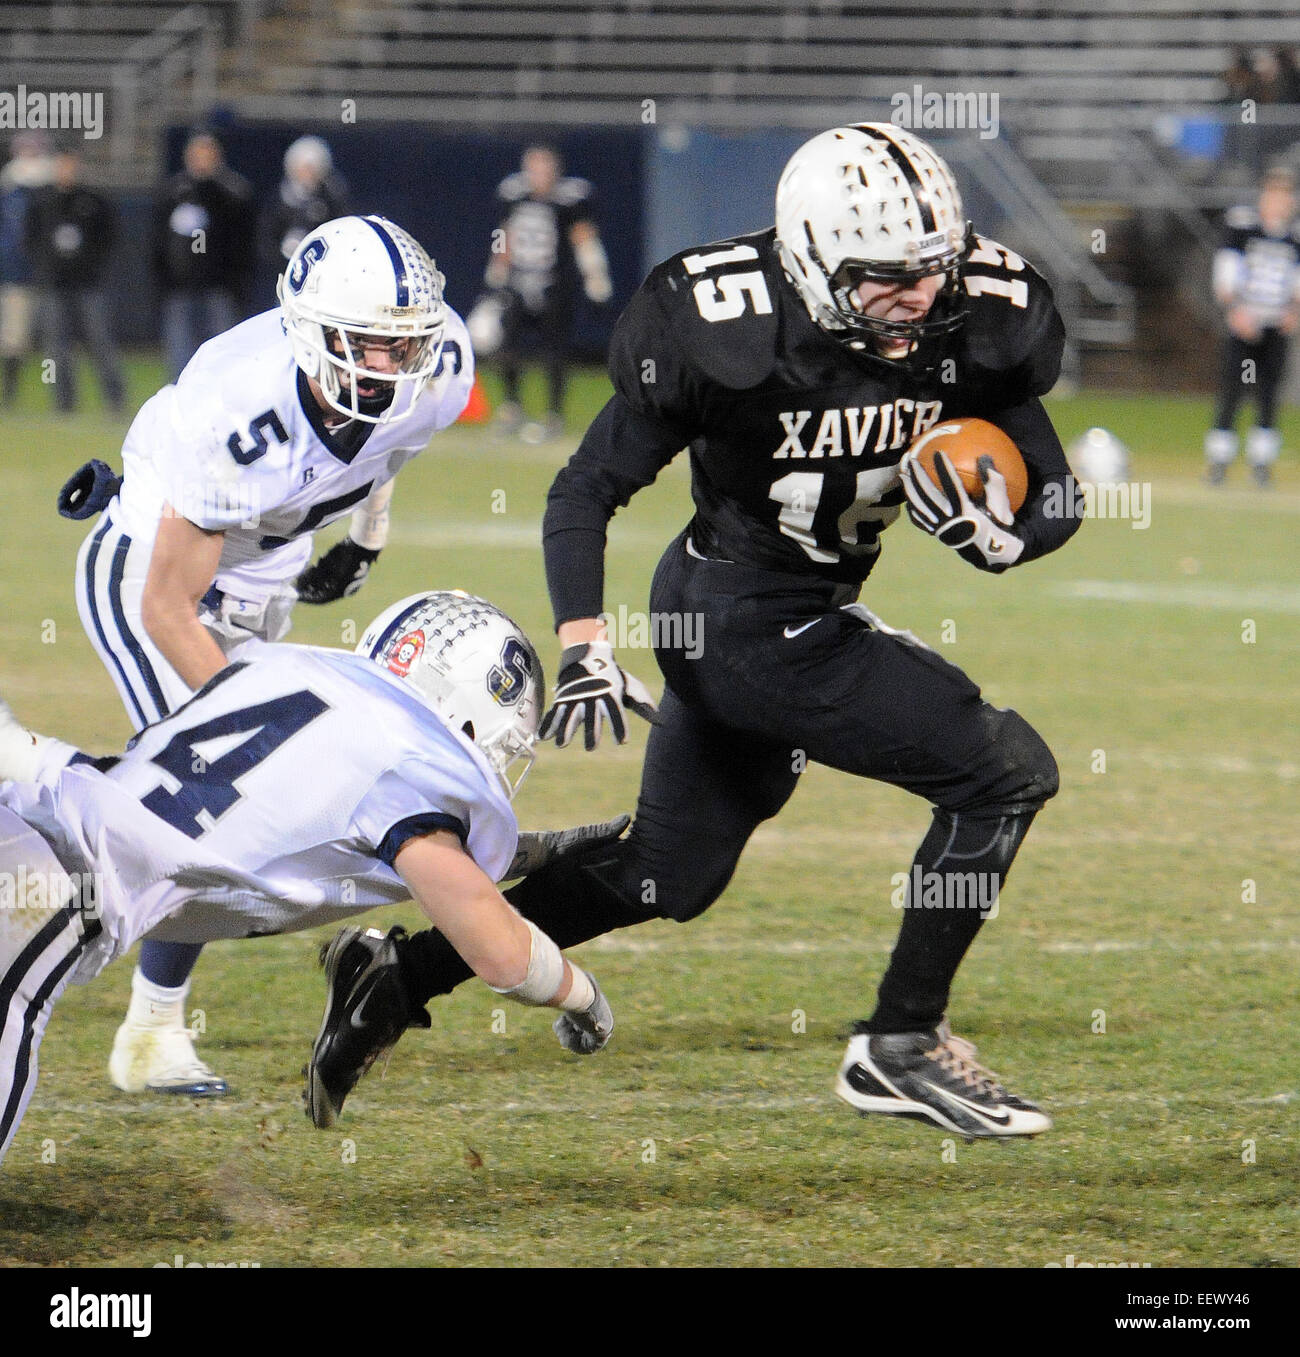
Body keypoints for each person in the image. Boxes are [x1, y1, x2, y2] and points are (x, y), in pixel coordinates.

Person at [307, 124, 1084, 1140]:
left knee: (663, 875)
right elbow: (585, 486)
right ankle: (900, 1042)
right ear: (811, 261)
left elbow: (1055, 490)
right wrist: (584, 636)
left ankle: (396, 975)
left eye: (933, 273)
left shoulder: (973, 313)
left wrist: (1003, 539)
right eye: (887, 281)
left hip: (777, 612)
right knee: (1005, 770)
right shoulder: (720, 322)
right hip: (741, 617)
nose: (921, 301)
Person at [59, 213, 473, 1098]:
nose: (392, 368)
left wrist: (366, 538)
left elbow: (387, 440)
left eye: (405, 347)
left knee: (213, 816)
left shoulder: (433, 374)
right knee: (206, 803)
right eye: (370, 345)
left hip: (260, 580)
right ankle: (124, 1001)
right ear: (313, 334)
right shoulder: (236, 402)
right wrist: (264, 730)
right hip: (152, 578)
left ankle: (148, 1033)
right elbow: (168, 604)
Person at [0, 590, 617, 1165]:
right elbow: (501, 954)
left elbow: (306, 814)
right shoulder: (411, 767)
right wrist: (585, 998)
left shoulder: (287, 671)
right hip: (48, 883)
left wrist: (532, 854)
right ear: (472, 719)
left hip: (33, 809)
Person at [475, 145, 612, 442]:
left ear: (555, 170)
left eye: (544, 167)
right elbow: (505, 234)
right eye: (533, 167)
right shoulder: (514, 194)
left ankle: (553, 416)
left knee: (555, 352)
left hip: (555, 285)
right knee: (506, 347)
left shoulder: (570, 199)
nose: (538, 174)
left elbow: (583, 238)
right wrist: (496, 272)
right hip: (518, 281)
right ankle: (511, 409)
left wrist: (595, 275)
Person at [1204, 166, 1300, 487]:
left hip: (1276, 328)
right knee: (1231, 392)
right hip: (1243, 325)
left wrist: (1293, 312)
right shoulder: (1242, 228)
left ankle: (1261, 464)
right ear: (1264, 196)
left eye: (1285, 197)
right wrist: (1235, 311)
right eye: (1274, 195)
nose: (1279, 203)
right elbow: (1226, 273)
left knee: (1268, 396)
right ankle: (1219, 462)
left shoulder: (1294, 236)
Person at [24, 144, 125, 414]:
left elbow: (109, 238)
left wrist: (92, 267)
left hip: (88, 285)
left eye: (71, 164)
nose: (67, 170)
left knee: (101, 342)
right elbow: (31, 239)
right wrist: (46, 268)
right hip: (54, 285)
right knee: (56, 349)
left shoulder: (93, 200)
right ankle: (64, 403)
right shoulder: (43, 201)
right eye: (62, 164)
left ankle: (115, 400)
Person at [151, 131, 256, 381]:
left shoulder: (233, 192)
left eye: (207, 154)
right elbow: (158, 242)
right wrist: (162, 280)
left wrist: (236, 283)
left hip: (219, 287)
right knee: (180, 351)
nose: (202, 160)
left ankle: (223, 397)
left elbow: (243, 243)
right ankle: (180, 398)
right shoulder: (172, 191)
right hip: (180, 286)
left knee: (224, 350)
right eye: (197, 154)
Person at [0, 131, 52, 405]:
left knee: (55, 337)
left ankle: (61, 396)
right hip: (17, 274)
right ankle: (10, 393)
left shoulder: (52, 189)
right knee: (13, 337)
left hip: (51, 277)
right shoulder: (9, 190)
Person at [263, 134, 350, 268]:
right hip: (283, 269)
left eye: (312, 168)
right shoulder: (278, 200)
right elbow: (266, 236)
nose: (308, 173)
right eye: (303, 167)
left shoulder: (330, 200)